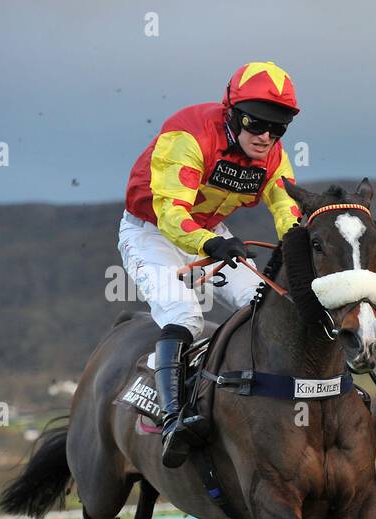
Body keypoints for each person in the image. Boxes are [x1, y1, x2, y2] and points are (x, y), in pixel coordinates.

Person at [121, 61, 303, 467]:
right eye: (257, 124)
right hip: (152, 231)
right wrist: (212, 244)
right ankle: (170, 419)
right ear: (233, 113)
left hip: (207, 231)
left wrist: (298, 247)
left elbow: (286, 206)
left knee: (263, 301)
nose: (267, 137)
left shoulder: (272, 154)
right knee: (185, 314)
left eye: (278, 128)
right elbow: (170, 214)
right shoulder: (187, 134)